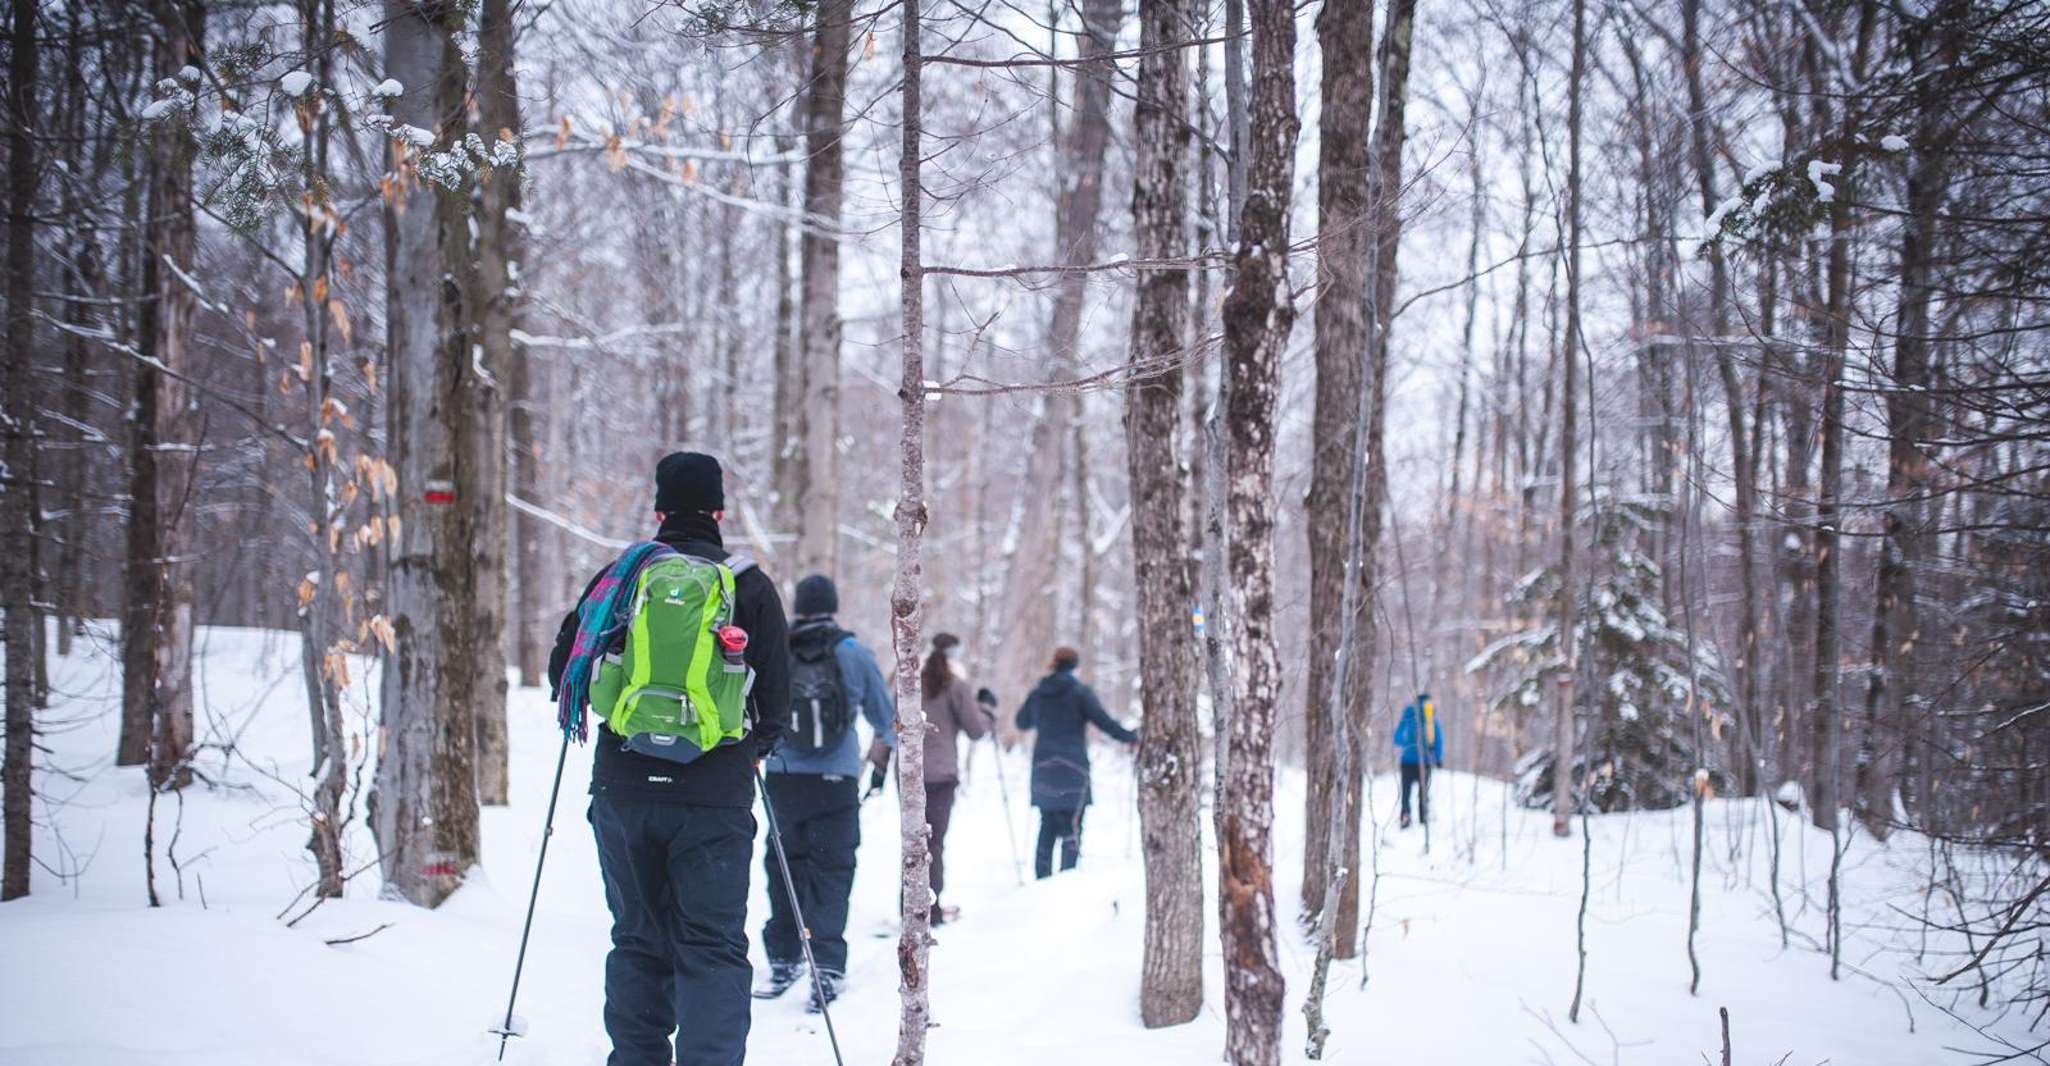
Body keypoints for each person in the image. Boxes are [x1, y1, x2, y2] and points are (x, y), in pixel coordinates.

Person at [546, 451, 790, 1066]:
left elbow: (563, 674)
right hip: (714, 794)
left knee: (636, 940)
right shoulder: (750, 584)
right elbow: (777, 704)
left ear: (658, 510)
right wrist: (736, 755)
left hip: (624, 788)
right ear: (719, 511)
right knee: (710, 946)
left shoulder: (620, 578)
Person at [753, 573, 895, 1012]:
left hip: (782, 778)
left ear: (797, 605)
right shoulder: (852, 652)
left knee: (784, 870)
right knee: (832, 873)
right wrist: (879, 766)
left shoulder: (775, 648)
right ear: (833, 606)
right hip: (836, 784)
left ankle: (783, 959)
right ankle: (827, 968)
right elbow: (886, 721)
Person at [1015, 646, 1136, 878]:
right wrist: (1130, 737)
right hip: (1073, 766)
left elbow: (1022, 722)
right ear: (1075, 667)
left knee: (1047, 824)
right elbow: (1104, 722)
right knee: (1072, 825)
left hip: (1044, 765)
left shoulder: (1039, 692)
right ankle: (1067, 880)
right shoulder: (1080, 692)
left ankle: (1041, 882)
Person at [918, 633, 990, 923]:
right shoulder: (956, 686)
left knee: (913, 841)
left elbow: (888, 723)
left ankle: (910, 906)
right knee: (934, 843)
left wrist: (879, 764)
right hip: (942, 775)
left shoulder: (908, 684)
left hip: (911, 774)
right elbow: (977, 730)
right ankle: (931, 909)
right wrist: (986, 709)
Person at [1393, 692, 1443, 829]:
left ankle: (1405, 820)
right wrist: (1438, 759)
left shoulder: (1408, 715)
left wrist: (1407, 744)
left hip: (1407, 761)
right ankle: (1423, 820)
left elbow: (1396, 738)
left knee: (1405, 794)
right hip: (1424, 762)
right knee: (1423, 793)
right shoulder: (1430, 718)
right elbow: (1438, 739)